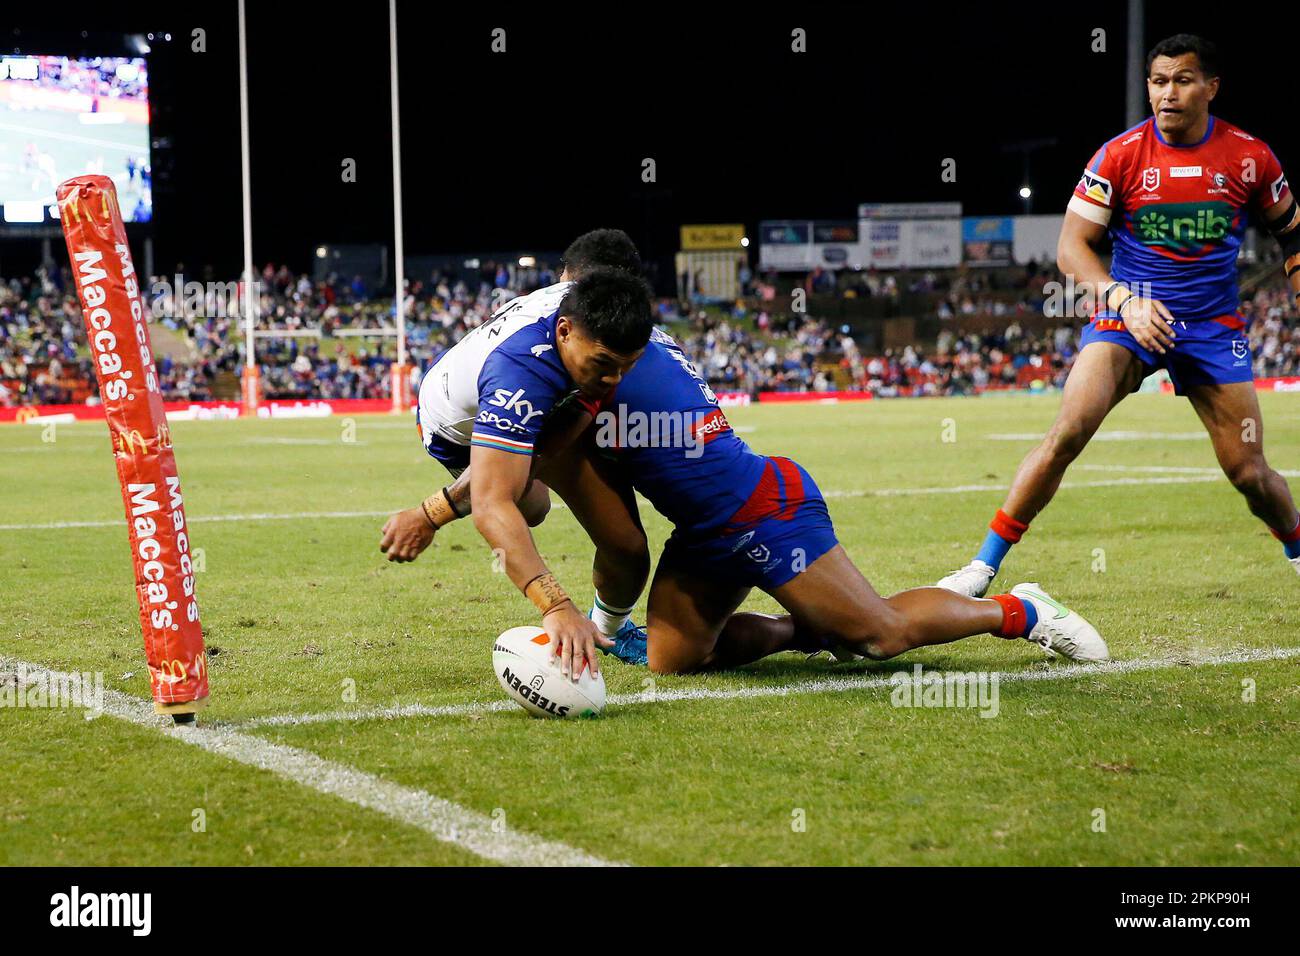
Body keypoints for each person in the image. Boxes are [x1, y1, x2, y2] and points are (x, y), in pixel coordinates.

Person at [401, 325, 1110, 673]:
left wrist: (438, 511)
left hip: (761, 509)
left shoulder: (600, 367)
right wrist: (439, 507)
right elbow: (521, 459)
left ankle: (1016, 612)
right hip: (705, 530)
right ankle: (807, 630)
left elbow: (523, 463)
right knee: (671, 660)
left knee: (881, 637)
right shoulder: (601, 360)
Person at [938, 34, 1300, 598]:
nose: (1168, 93)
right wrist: (1124, 300)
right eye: (1158, 81)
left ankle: (1297, 550)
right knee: (1068, 431)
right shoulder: (1121, 155)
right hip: (1128, 317)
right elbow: (1071, 247)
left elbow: (1292, 234)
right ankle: (981, 568)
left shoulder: (1251, 157)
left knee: (1250, 473)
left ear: (1211, 87)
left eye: (1182, 80)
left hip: (1211, 327)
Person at [379, 230, 655, 680]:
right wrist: (556, 605)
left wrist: (589, 398)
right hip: (451, 427)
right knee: (529, 505)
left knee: (618, 540)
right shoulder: (524, 374)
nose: (614, 378)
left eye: (627, 365)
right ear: (566, 331)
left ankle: (612, 631)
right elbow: (492, 505)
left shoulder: (593, 306)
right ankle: (440, 505)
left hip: (507, 389)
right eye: (604, 364)